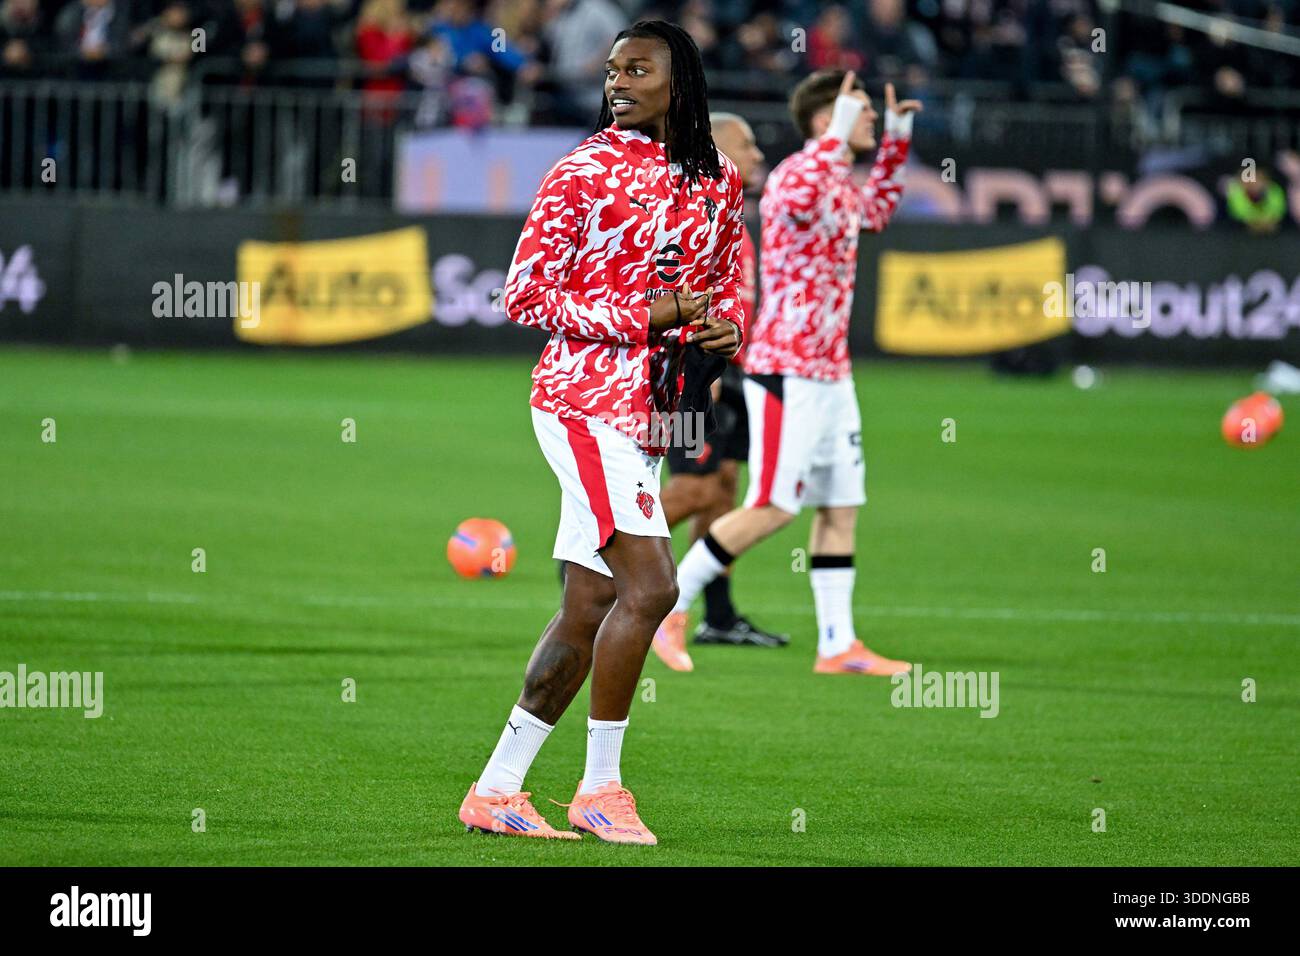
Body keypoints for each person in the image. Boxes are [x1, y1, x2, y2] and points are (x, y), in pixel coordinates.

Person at [458, 19, 746, 844]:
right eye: (614, 70)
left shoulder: (720, 179)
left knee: (588, 605)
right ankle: (601, 788)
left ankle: (498, 789)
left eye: (638, 69)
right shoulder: (583, 169)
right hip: (583, 401)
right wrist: (645, 314)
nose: (617, 81)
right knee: (650, 589)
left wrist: (724, 331)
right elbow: (524, 294)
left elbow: (723, 287)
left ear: (679, 82)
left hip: (651, 412)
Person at [658, 69, 921, 677]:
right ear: (827, 122)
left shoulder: (834, 180)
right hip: (788, 370)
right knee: (775, 504)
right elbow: (801, 199)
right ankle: (672, 611)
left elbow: (875, 210)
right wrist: (839, 134)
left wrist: (898, 136)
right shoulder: (797, 174)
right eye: (862, 113)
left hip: (832, 373)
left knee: (840, 506)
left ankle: (837, 644)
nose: (871, 121)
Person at [650, 110, 788, 673]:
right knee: (697, 488)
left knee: (725, 484)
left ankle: (720, 615)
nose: (758, 156)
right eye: (747, 144)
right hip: (688, 369)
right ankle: (596, 562)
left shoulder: (731, 211)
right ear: (717, 146)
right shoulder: (690, 207)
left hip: (733, 370)